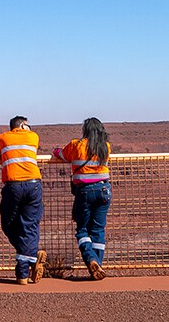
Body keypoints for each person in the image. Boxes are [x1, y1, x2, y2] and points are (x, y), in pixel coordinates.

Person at [53, 117, 112, 280]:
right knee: (98, 230)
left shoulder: (76, 145)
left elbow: (62, 155)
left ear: (85, 130)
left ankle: (91, 259)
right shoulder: (105, 146)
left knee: (82, 230)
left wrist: (55, 151)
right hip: (104, 189)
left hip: (85, 191)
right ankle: (97, 265)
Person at [0, 115, 45, 284]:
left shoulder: (3, 138)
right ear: (22, 126)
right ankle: (31, 256)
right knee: (30, 225)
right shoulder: (33, 136)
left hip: (13, 186)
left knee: (8, 223)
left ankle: (23, 272)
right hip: (34, 185)